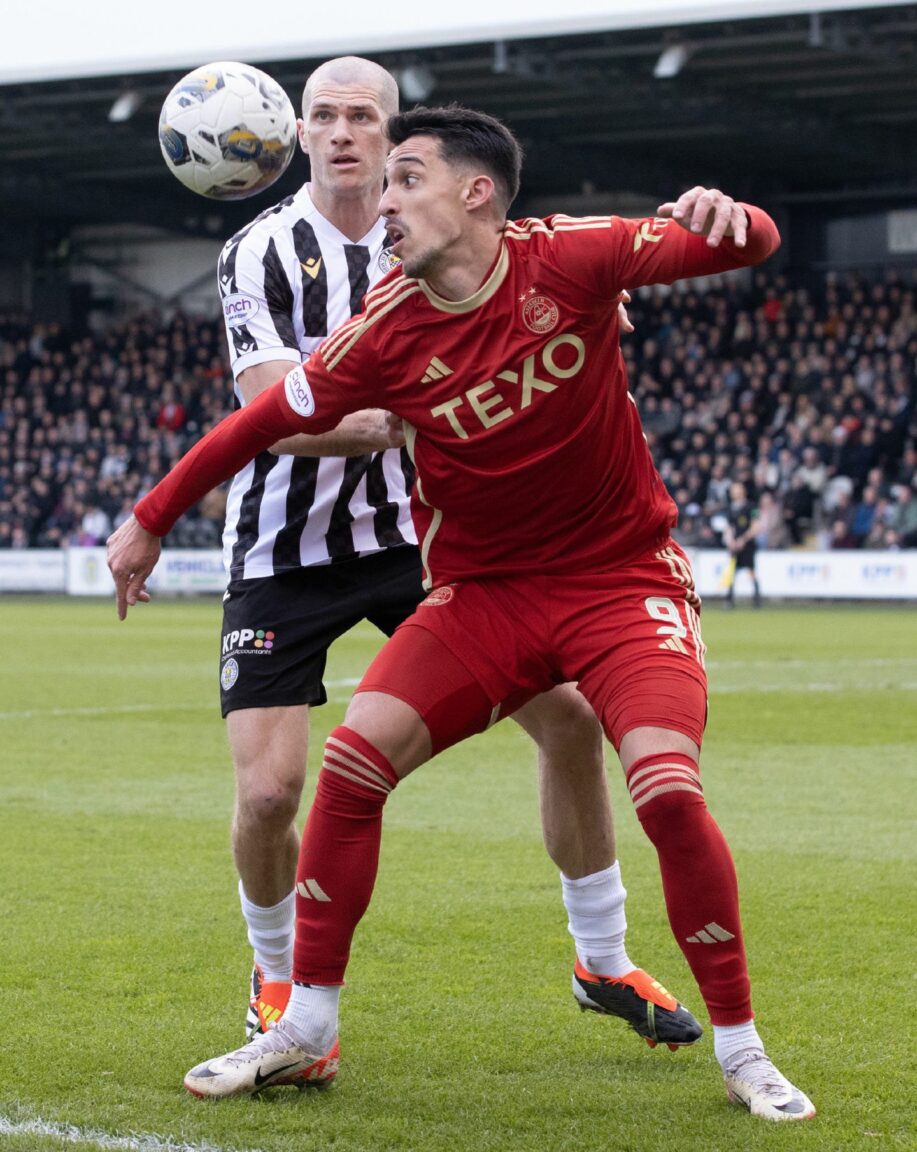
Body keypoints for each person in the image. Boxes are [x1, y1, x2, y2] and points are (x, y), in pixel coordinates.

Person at [108, 106, 815, 1121]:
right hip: (482, 600)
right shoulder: (382, 331)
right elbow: (255, 423)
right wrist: (147, 520)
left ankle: (742, 1050)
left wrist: (730, 215)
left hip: (621, 584)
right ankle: (304, 1021)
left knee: (663, 789)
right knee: (349, 768)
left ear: (472, 193)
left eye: (404, 180)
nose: (383, 204)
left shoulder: (572, 258)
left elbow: (750, 241)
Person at [160, 57, 700, 1054]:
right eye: (322, 116)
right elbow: (271, 412)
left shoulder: (440, 228)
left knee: (571, 718)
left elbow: (540, 294)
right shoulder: (260, 251)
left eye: (361, 116)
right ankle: (275, 980)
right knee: (272, 791)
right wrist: (433, 399)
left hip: (422, 540)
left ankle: (600, 955)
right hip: (288, 549)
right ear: (295, 136)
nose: (341, 133)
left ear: (392, 133)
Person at [722, 481, 762, 607]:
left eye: (737, 489)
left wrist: (743, 540)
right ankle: (729, 599)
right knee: (732, 571)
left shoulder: (751, 506)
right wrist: (730, 541)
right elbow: (728, 527)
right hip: (735, 546)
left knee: (751, 570)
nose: (734, 492)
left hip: (748, 545)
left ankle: (756, 598)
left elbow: (756, 526)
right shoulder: (730, 508)